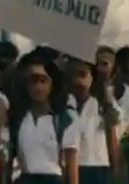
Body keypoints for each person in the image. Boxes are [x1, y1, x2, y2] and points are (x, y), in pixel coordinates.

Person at [7, 52, 77, 184]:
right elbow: (9, 160)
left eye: (43, 81)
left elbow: (71, 165)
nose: (38, 87)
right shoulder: (17, 119)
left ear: (52, 83)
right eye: (33, 81)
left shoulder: (64, 119)